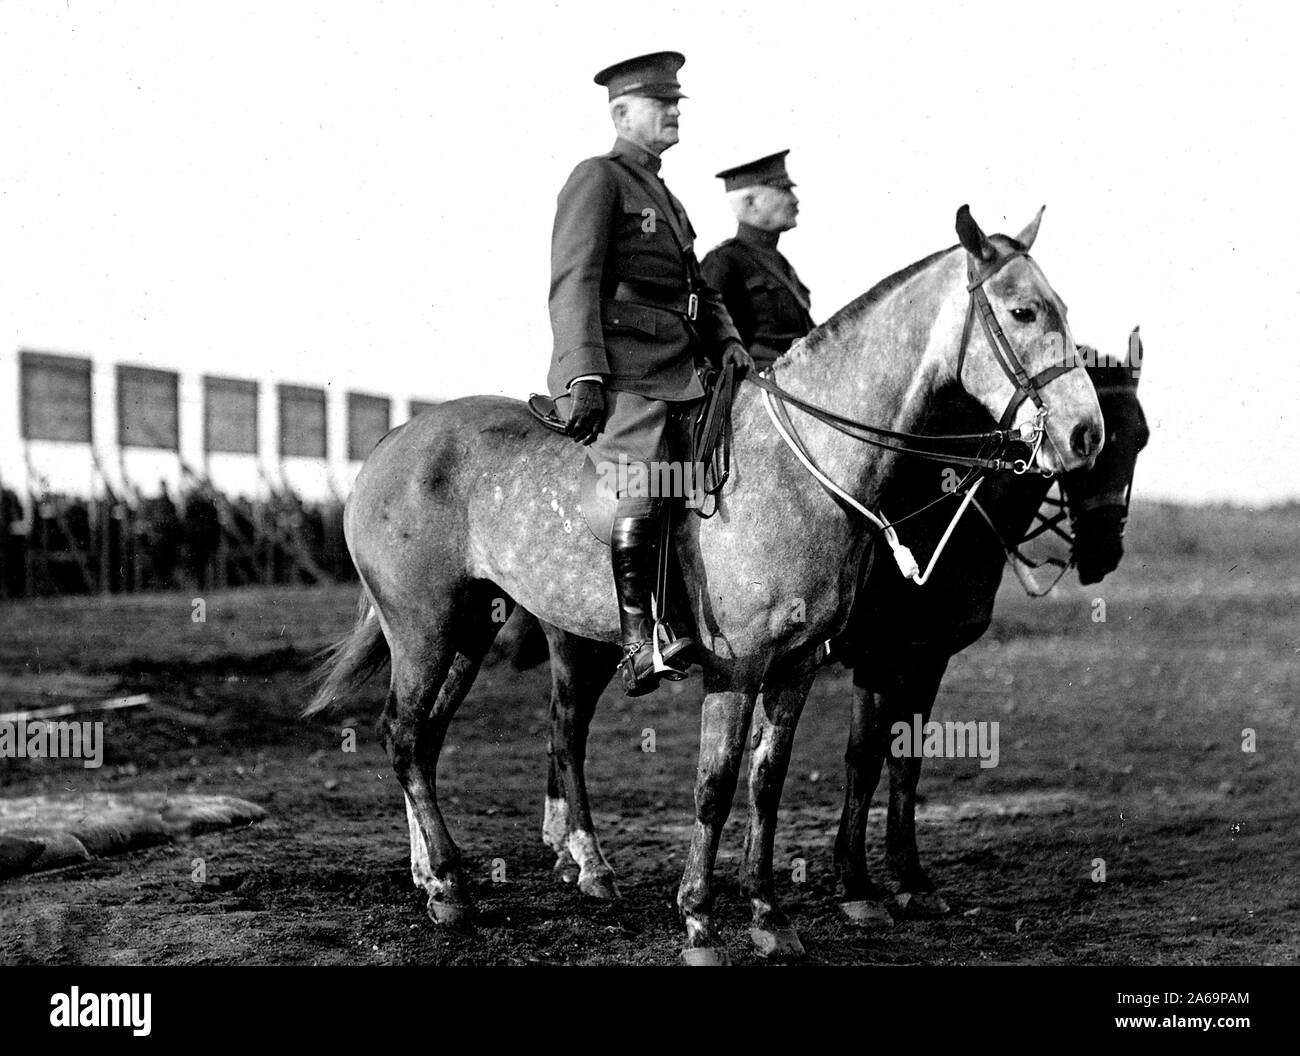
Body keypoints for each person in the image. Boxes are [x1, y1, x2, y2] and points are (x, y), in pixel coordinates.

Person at [547, 50, 753, 696]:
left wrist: (730, 341)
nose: (673, 113)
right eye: (661, 105)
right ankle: (641, 638)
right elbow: (573, 280)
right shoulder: (598, 180)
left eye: (675, 104)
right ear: (621, 113)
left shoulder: (666, 196)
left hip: (685, 363)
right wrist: (582, 373)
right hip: (628, 365)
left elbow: (699, 292)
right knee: (638, 476)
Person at [700, 150, 814, 373]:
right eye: (784, 189)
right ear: (751, 202)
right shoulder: (725, 261)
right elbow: (709, 341)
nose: (795, 199)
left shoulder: (780, 263)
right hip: (758, 395)